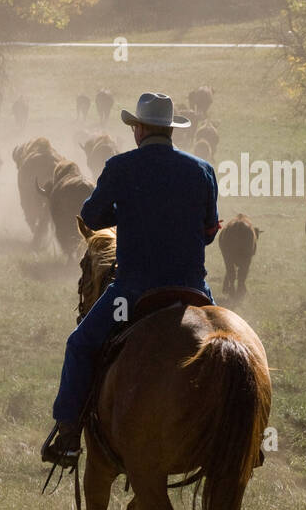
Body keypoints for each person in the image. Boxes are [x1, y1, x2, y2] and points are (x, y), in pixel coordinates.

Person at [41, 92, 220, 466]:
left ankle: (69, 436)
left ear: (138, 130)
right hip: (193, 291)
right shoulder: (202, 170)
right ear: (171, 131)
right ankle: (246, 442)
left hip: (132, 293)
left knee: (80, 344)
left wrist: (128, 211)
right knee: (225, 346)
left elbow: (91, 217)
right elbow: (208, 231)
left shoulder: (120, 167)